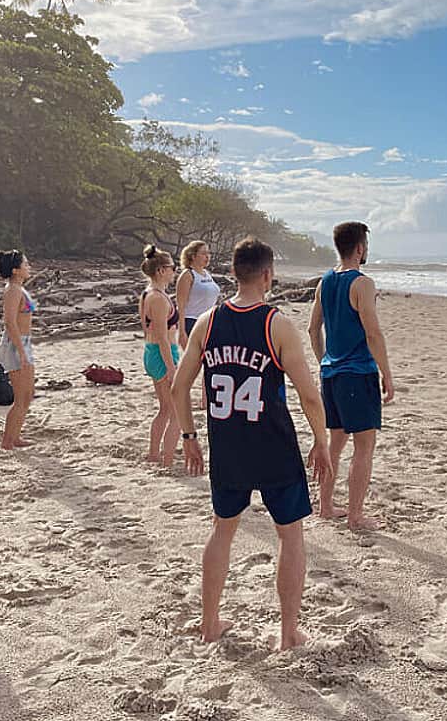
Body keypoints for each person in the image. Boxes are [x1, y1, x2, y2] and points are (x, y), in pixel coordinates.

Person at [172, 236, 333, 650]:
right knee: (290, 535)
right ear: (268, 275)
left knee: (222, 531)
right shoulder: (276, 324)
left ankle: (210, 623)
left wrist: (189, 436)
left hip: (227, 444)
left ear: (232, 273)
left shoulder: (208, 322)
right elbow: (308, 394)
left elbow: (178, 387)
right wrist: (321, 440)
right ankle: (288, 633)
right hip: (273, 444)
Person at [307, 221, 395, 531]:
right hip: (357, 372)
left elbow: (313, 329)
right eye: (365, 246)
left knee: (335, 442)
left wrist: (325, 361)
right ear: (360, 248)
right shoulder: (362, 283)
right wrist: (387, 374)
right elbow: (373, 333)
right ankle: (356, 516)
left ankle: (326, 505)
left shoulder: (325, 281)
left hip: (332, 373)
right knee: (364, 446)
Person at [139, 244, 181, 466]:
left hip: (154, 352)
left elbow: (146, 329)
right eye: (173, 268)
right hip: (161, 354)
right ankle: (167, 460)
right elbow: (161, 336)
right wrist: (171, 368)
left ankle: (155, 454)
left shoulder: (150, 294)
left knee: (165, 408)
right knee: (177, 413)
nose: (175, 272)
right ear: (161, 270)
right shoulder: (156, 298)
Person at [0, 249, 36, 450]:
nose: (29, 267)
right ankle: (7, 441)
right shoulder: (12, 290)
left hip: (23, 342)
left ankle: (15, 436)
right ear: (15, 270)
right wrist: (21, 351)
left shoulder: (18, 289)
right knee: (21, 397)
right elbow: (10, 322)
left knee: (28, 394)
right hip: (15, 345)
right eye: (25, 264)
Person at [177, 239, 220, 410]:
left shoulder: (206, 274)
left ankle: (206, 400)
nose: (207, 256)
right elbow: (181, 305)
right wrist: (181, 331)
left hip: (210, 322)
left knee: (211, 361)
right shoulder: (188, 275)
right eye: (203, 253)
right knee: (195, 363)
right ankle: (181, 396)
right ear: (193, 256)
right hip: (192, 321)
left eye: (208, 253)